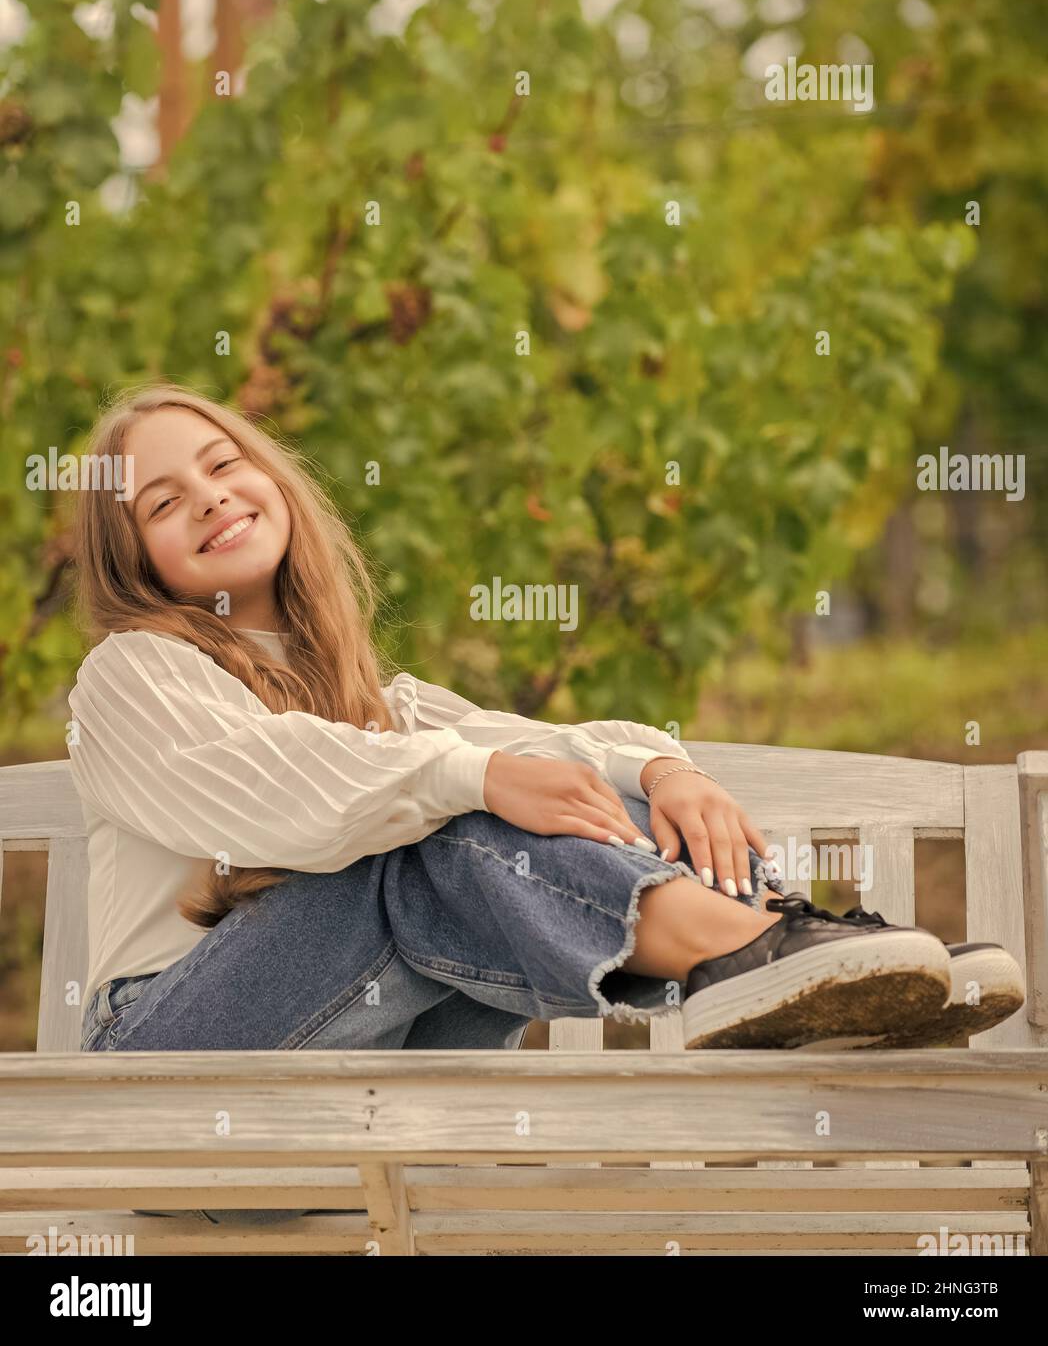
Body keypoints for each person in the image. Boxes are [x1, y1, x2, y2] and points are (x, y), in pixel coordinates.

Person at [66, 382, 1024, 1226]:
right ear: (135, 561)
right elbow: (279, 786)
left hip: (348, 1108)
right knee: (434, 821)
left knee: (472, 795)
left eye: (224, 463)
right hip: (168, 1088)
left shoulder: (375, 707)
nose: (210, 498)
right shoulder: (130, 679)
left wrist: (660, 773)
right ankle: (740, 957)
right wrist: (466, 779)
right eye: (164, 502)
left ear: (274, 479)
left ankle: (785, 951)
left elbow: (534, 752)